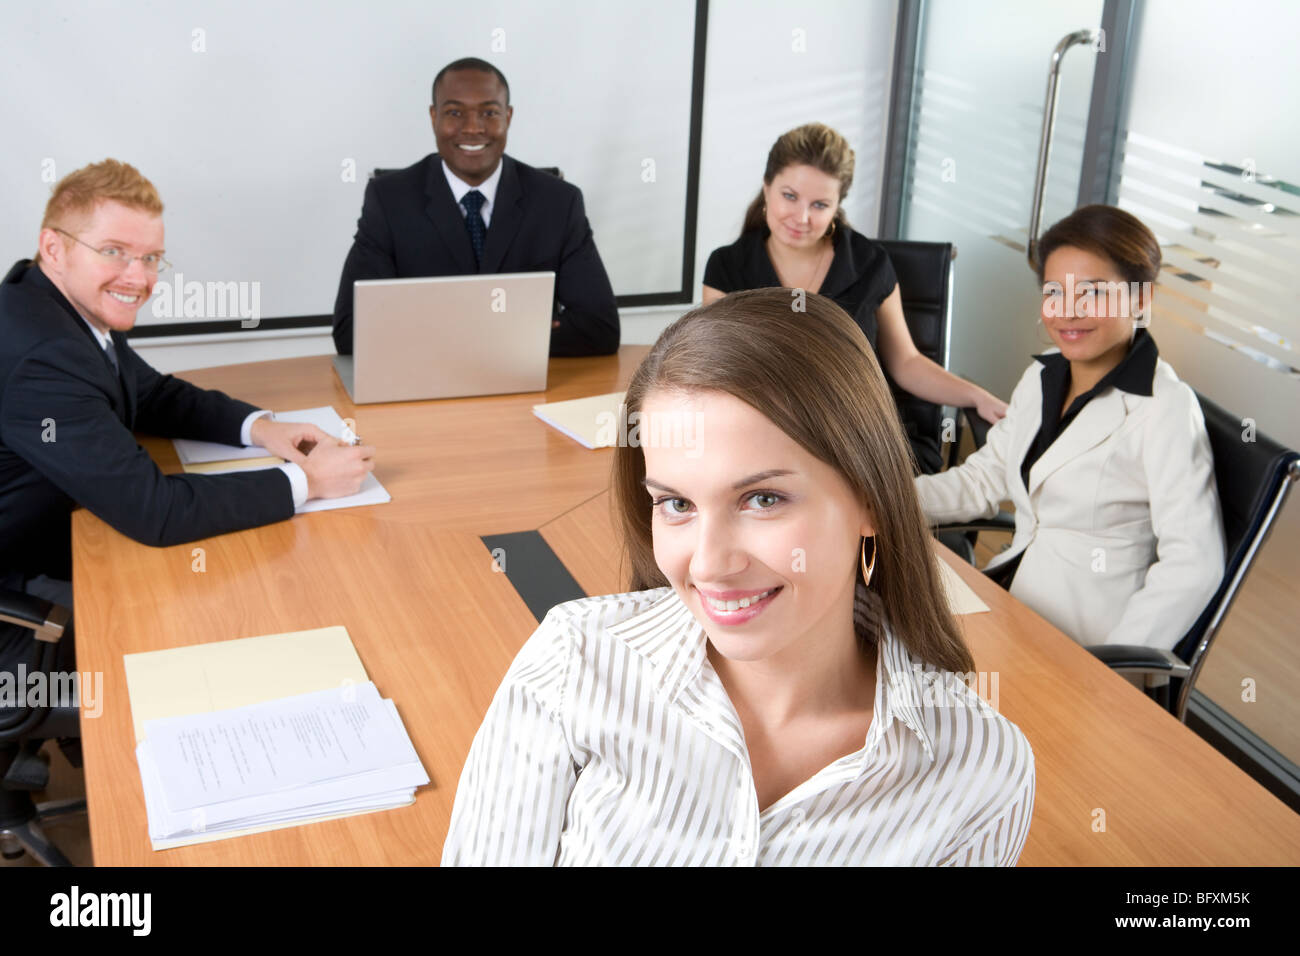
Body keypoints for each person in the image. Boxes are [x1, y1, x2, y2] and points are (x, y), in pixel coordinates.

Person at [442, 288, 1034, 866]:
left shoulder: (979, 771)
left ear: (872, 501)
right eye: (676, 504)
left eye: (763, 499)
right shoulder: (574, 663)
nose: (708, 564)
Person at [0, 159, 376, 673]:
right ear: (53, 248)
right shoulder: (43, 354)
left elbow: (151, 394)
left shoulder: (52, 301)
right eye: (114, 252)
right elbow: (157, 512)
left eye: (151, 258)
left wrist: (262, 429)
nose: (138, 278)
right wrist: (307, 482)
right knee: (227, 631)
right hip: (20, 592)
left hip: (60, 533)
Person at [914, 205, 1225, 649]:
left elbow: (1195, 562)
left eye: (1093, 292)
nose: (1068, 312)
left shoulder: (1166, 408)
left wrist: (1112, 669)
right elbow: (984, 478)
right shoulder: (1043, 377)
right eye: (1055, 291)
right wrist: (881, 500)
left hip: (1083, 642)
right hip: (1010, 604)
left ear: (1140, 299)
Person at [702, 123, 1007, 474]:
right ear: (767, 187)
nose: (802, 218)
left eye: (819, 204)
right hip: (767, 435)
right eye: (789, 196)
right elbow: (720, 373)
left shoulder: (868, 263)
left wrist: (976, 396)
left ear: (837, 206)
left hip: (861, 435)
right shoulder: (727, 267)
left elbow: (905, 362)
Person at [332, 57, 619, 358]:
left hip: (526, 387)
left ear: (508, 117)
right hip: (425, 388)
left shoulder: (558, 202)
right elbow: (351, 332)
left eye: (489, 112)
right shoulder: (389, 201)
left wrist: (431, 332)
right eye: (455, 112)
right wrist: (518, 332)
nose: (472, 128)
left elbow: (599, 328)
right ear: (434, 116)